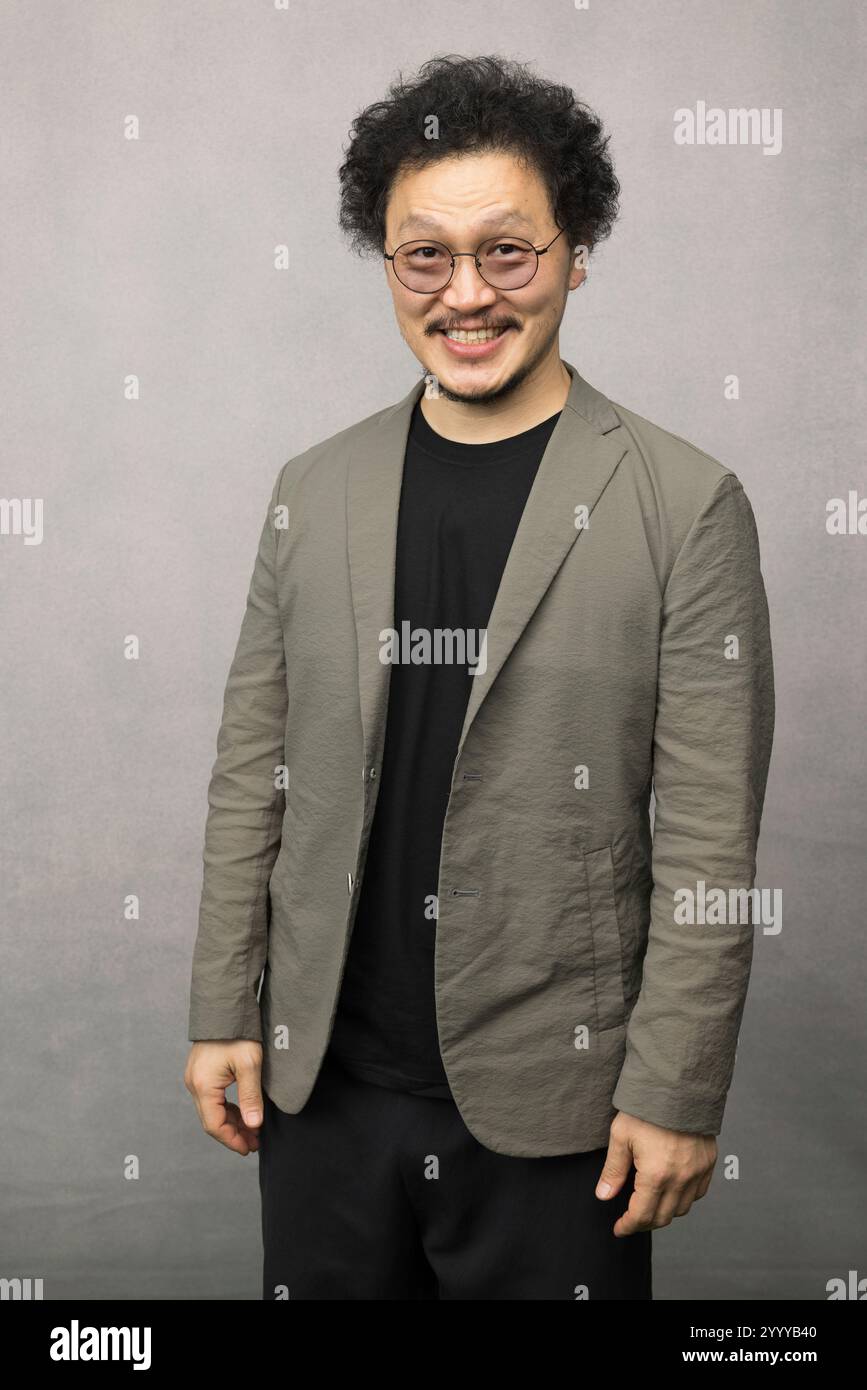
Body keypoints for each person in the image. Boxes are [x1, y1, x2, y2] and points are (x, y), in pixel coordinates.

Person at [184, 54, 775, 1300]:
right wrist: (221, 1007)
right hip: (322, 1091)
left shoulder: (687, 503)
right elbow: (254, 771)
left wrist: (676, 1087)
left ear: (576, 250)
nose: (466, 295)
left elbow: (711, 846)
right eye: (423, 257)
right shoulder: (312, 487)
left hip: (558, 1111)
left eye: (508, 252)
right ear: (385, 261)